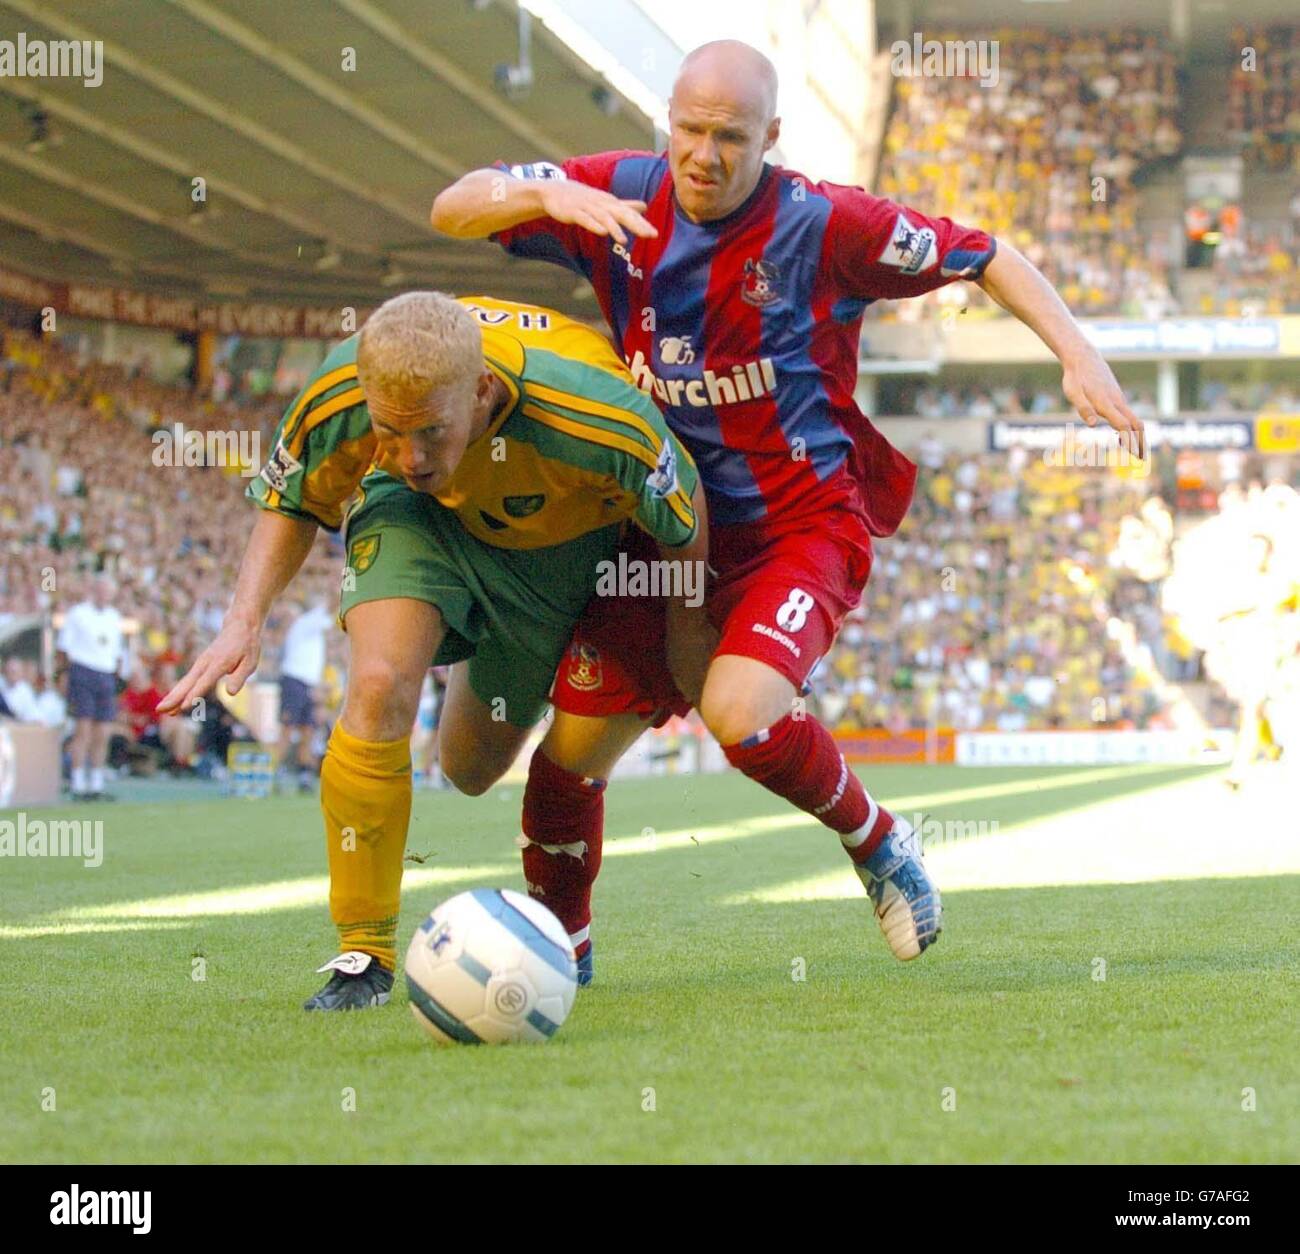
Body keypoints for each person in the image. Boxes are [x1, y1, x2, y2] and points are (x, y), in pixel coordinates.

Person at [432, 38, 1145, 976]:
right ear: (668, 123)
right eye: (690, 130)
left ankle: (879, 842)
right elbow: (451, 205)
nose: (705, 154)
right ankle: (563, 952)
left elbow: (987, 254)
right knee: (564, 766)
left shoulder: (829, 225)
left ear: (771, 136)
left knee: (743, 711)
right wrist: (539, 194)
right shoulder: (618, 195)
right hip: (661, 537)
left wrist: (1078, 353)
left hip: (795, 530)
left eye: (731, 137)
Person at [160, 291, 708, 1011]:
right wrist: (244, 619)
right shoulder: (348, 394)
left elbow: (685, 520)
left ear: (482, 391)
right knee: (381, 684)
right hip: (413, 518)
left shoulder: (597, 417)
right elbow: (293, 500)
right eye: (391, 431)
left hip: (554, 554)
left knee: (470, 767)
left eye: (431, 434)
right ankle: (364, 955)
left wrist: (691, 640)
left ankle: (467, 632)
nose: (411, 455)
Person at [56, 574, 126, 800]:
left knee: (103, 732)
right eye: (102, 590)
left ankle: (95, 781)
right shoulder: (78, 613)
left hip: (105, 675)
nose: (104, 595)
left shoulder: (114, 616)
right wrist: (67, 675)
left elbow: (116, 651)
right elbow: (64, 648)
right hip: (83, 671)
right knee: (83, 729)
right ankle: (77, 781)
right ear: (94, 590)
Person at [276, 597, 333, 793]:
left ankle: (304, 775)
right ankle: (274, 772)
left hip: (308, 683)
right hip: (294, 681)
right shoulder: (304, 623)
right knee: (288, 728)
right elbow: (331, 604)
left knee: (308, 730)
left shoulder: (308, 627)